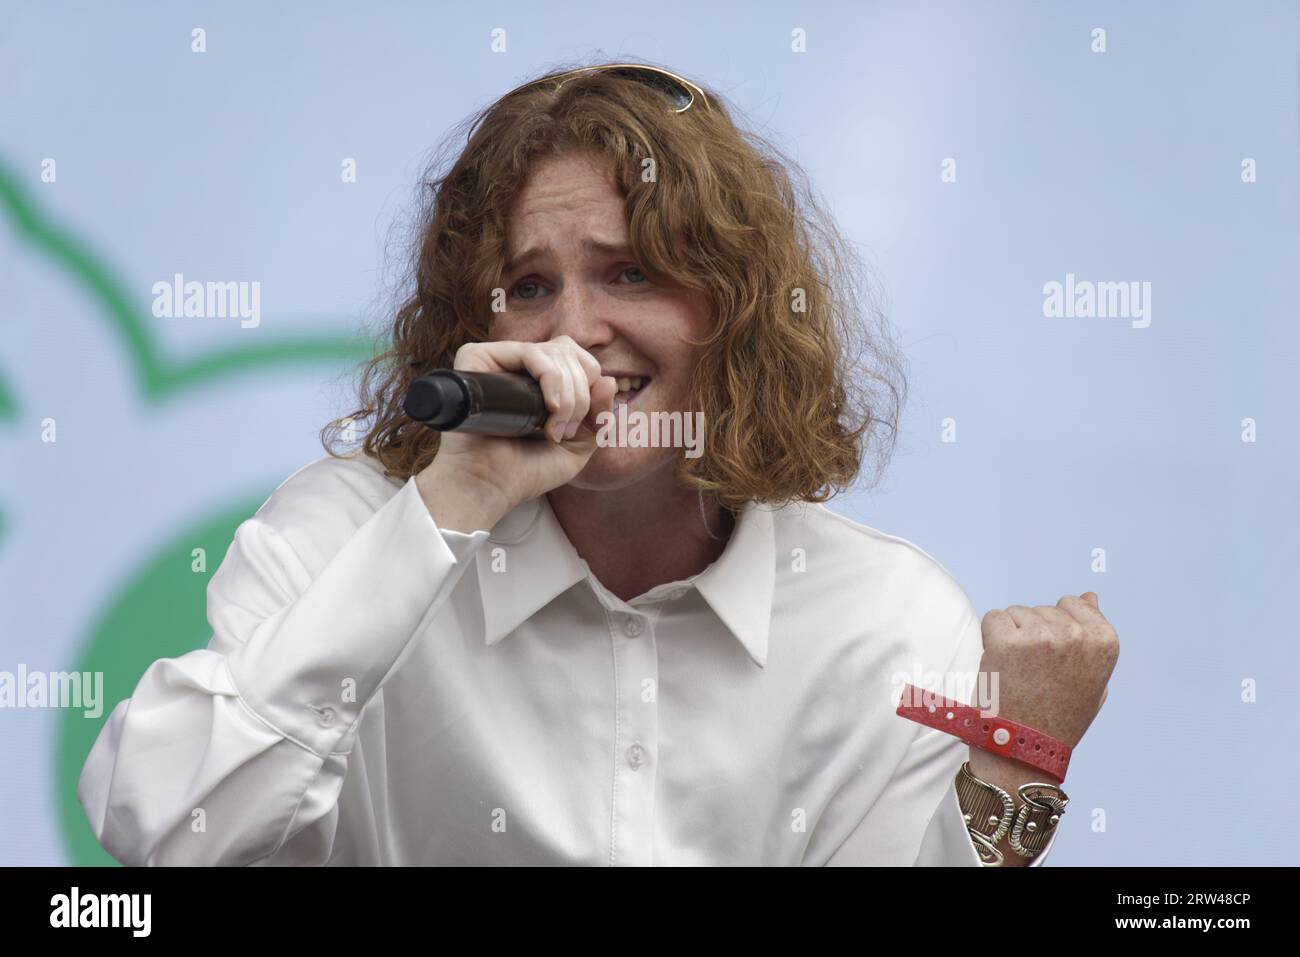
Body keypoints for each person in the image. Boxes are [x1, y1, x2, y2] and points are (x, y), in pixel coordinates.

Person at [78, 62, 1118, 866]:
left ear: (737, 316)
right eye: (528, 288)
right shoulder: (346, 534)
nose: (577, 332)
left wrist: (1014, 761)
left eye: (631, 273)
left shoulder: (880, 618)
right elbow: (164, 829)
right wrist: (450, 509)